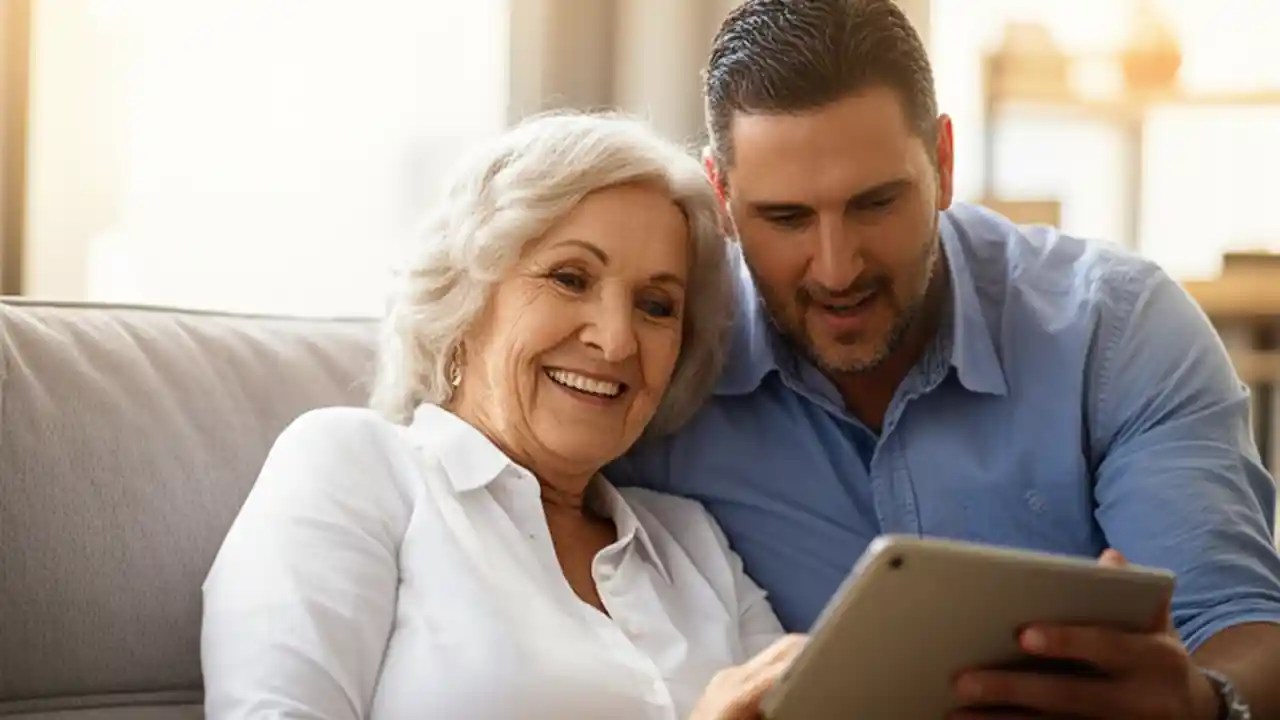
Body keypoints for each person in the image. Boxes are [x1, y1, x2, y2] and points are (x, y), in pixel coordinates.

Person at [608, 1, 1280, 717]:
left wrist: (1204, 703)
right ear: (721, 196)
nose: (836, 269)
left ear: (943, 161)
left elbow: (1240, 625)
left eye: (875, 204)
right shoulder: (657, 361)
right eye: (787, 218)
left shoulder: (1114, 330)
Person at [201, 112, 802, 720]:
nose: (617, 340)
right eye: (570, 278)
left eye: (655, 305)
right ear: (466, 296)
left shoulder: (693, 544)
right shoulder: (354, 466)